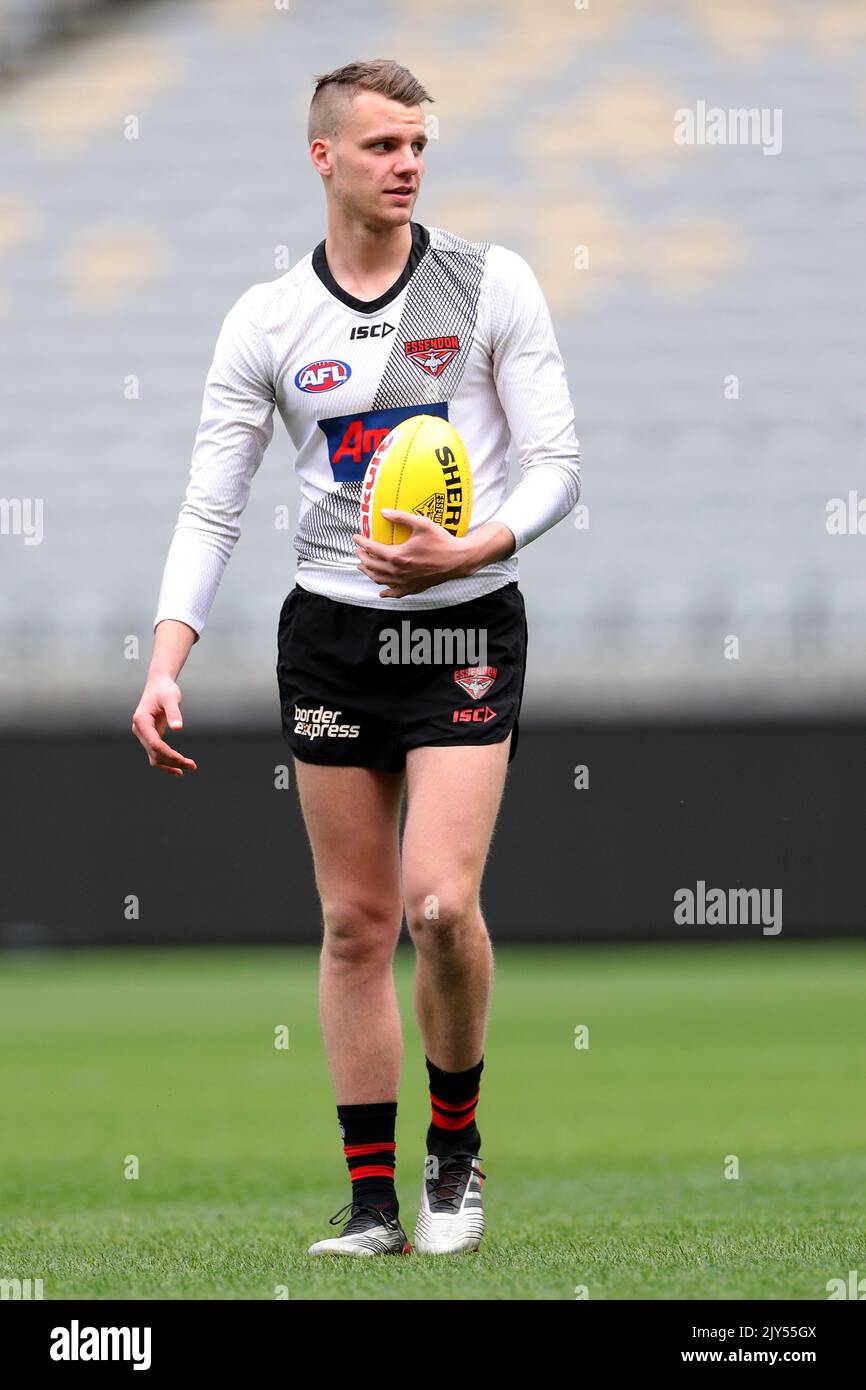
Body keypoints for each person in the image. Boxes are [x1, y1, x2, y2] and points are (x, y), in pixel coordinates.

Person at [132, 58, 580, 1256]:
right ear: (322, 157)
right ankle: (375, 1204)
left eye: (419, 144)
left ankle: (457, 1162)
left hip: (463, 626)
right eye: (382, 145)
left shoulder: (486, 284)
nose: (407, 164)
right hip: (330, 639)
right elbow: (211, 508)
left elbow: (557, 469)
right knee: (352, 924)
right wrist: (166, 659)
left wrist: (469, 547)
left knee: (439, 903)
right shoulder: (268, 319)